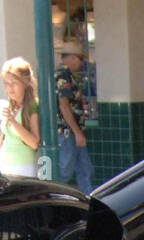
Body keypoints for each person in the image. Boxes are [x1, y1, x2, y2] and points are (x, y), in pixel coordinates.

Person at [54, 40, 93, 192]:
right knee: (65, 172)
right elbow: (64, 105)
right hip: (68, 132)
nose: (81, 63)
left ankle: (88, 201)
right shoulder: (63, 75)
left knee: (85, 169)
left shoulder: (67, 75)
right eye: (80, 59)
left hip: (73, 132)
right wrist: (77, 133)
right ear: (73, 58)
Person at [0, 57, 41, 176]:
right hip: (3, 166)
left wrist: (13, 121)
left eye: (14, 83)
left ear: (25, 84)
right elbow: (4, 137)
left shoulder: (31, 106)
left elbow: (34, 143)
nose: (9, 88)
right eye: (7, 83)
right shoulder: (11, 104)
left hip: (22, 167)